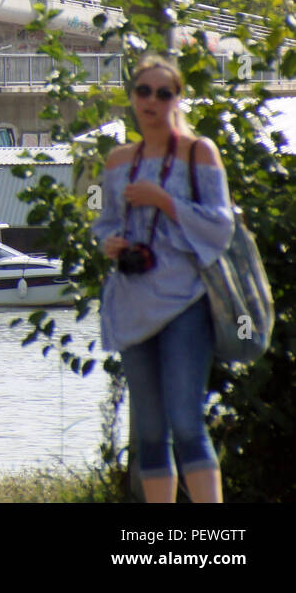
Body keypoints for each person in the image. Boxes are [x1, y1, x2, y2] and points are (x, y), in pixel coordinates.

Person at [91, 54, 234, 503]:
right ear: (132, 97)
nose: (152, 101)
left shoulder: (199, 152)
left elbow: (220, 225)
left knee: (186, 422)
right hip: (133, 303)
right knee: (150, 432)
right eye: (143, 91)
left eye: (163, 92)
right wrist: (110, 242)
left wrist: (164, 201)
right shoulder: (117, 161)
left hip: (185, 301)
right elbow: (102, 223)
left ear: (177, 99)